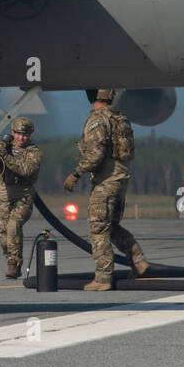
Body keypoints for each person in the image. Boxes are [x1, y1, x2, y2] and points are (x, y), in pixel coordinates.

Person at [62, 89, 151, 290]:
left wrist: (76, 174)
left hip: (105, 183)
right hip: (121, 181)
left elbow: (95, 154)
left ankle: (103, 279)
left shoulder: (98, 121)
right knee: (112, 226)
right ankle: (139, 261)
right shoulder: (121, 119)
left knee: (98, 230)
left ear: (93, 98)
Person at [0, 116, 42, 279]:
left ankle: (14, 265)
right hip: (5, 196)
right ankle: (9, 259)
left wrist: (3, 156)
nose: (22, 138)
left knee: (13, 228)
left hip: (23, 197)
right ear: (13, 132)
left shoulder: (33, 152)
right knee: (4, 235)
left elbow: (25, 170)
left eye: (25, 135)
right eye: (19, 134)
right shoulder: (5, 146)